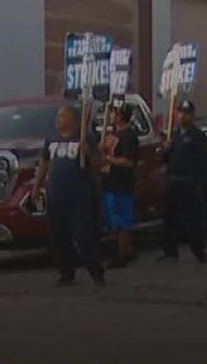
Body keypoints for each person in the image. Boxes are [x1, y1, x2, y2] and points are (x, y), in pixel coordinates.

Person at [33, 103, 105, 287]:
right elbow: (44, 163)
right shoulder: (51, 140)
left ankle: (96, 272)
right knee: (58, 237)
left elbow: (98, 165)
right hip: (56, 195)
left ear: (73, 119)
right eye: (58, 116)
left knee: (84, 236)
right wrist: (37, 186)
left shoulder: (84, 138)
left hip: (78, 196)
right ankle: (66, 272)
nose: (58, 120)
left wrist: (88, 153)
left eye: (62, 116)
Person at [157, 99, 207, 264]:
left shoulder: (198, 136)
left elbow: (204, 161)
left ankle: (199, 251)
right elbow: (164, 159)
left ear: (192, 115)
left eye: (186, 113)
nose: (183, 116)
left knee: (192, 219)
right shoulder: (173, 135)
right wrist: (165, 149)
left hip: (189, 182)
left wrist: (201, 181)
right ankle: (170, 252)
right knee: (169, 218)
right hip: (173, 180)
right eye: (180, 113)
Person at [99, 102, 142, 268]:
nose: (109, 116)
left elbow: (128, 161)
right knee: (112, 219)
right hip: (109, 182)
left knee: (121, 221)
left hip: (122, 184)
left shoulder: (129, 137)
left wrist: (109, 160)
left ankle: (121, 254)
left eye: (113, 113)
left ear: (120, 116)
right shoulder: (111, 134)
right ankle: (129, 250)